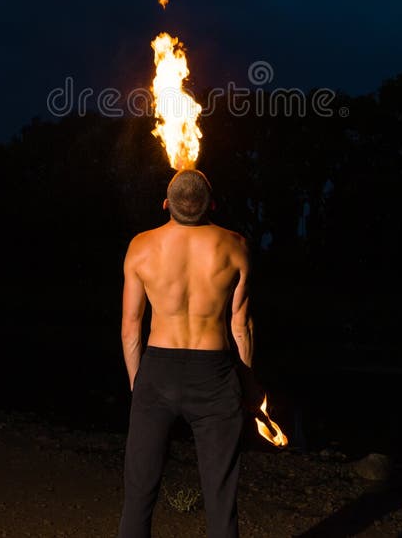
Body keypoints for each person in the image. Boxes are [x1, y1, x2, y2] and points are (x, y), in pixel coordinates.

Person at [118, 169, 261, 538]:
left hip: (157, 372)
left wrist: (139, 385)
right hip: (214, 376)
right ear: (211, 205)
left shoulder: (141, 246)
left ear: (166, 204)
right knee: (221, 498)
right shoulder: (236, 246)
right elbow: (241, 326)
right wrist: (250, 388)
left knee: (139, 495)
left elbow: (131, 327)